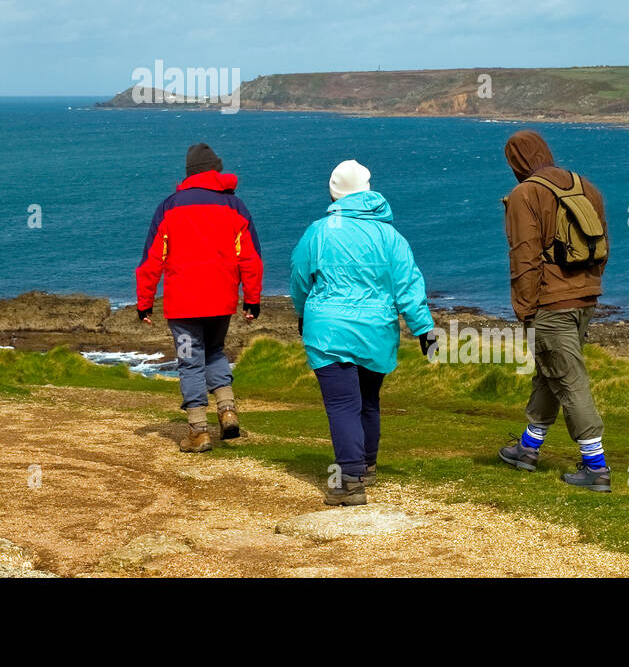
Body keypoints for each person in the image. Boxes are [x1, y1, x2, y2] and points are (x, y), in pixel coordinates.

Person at [290, 160, 436, 505]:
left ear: (335, 192)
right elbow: (409, 287)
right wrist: (424, 330)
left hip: (327, 329)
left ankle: (350, 480)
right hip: (376, 331)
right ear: (368, 191)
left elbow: (299, 276)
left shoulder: (320, 230)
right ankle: (365, 464)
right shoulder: (390, 236)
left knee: (342, 404)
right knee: (368, 400)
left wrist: (301, 312)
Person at [497, 130, 612, 492]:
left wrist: (525, 310)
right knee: (550, 374)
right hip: (586, 299)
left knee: (569, 380)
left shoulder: (524, 194)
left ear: (517, 161)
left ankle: (596, 466)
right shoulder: (585, 187)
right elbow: (603, 245)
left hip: (550, 304)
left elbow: (524, 258)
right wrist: (588, 289)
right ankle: (527, 449)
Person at [136, 143, 263, 452]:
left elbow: (152, 260)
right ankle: (227, 410)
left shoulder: (169, 207)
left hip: (183, 306)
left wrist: (144, 303)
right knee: (216, 352)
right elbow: (250, 257)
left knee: (190, 362)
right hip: (221, 301)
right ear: (215, 171)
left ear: (189, 173)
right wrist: (252, 298)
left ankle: (197, 431)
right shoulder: (235, 206)